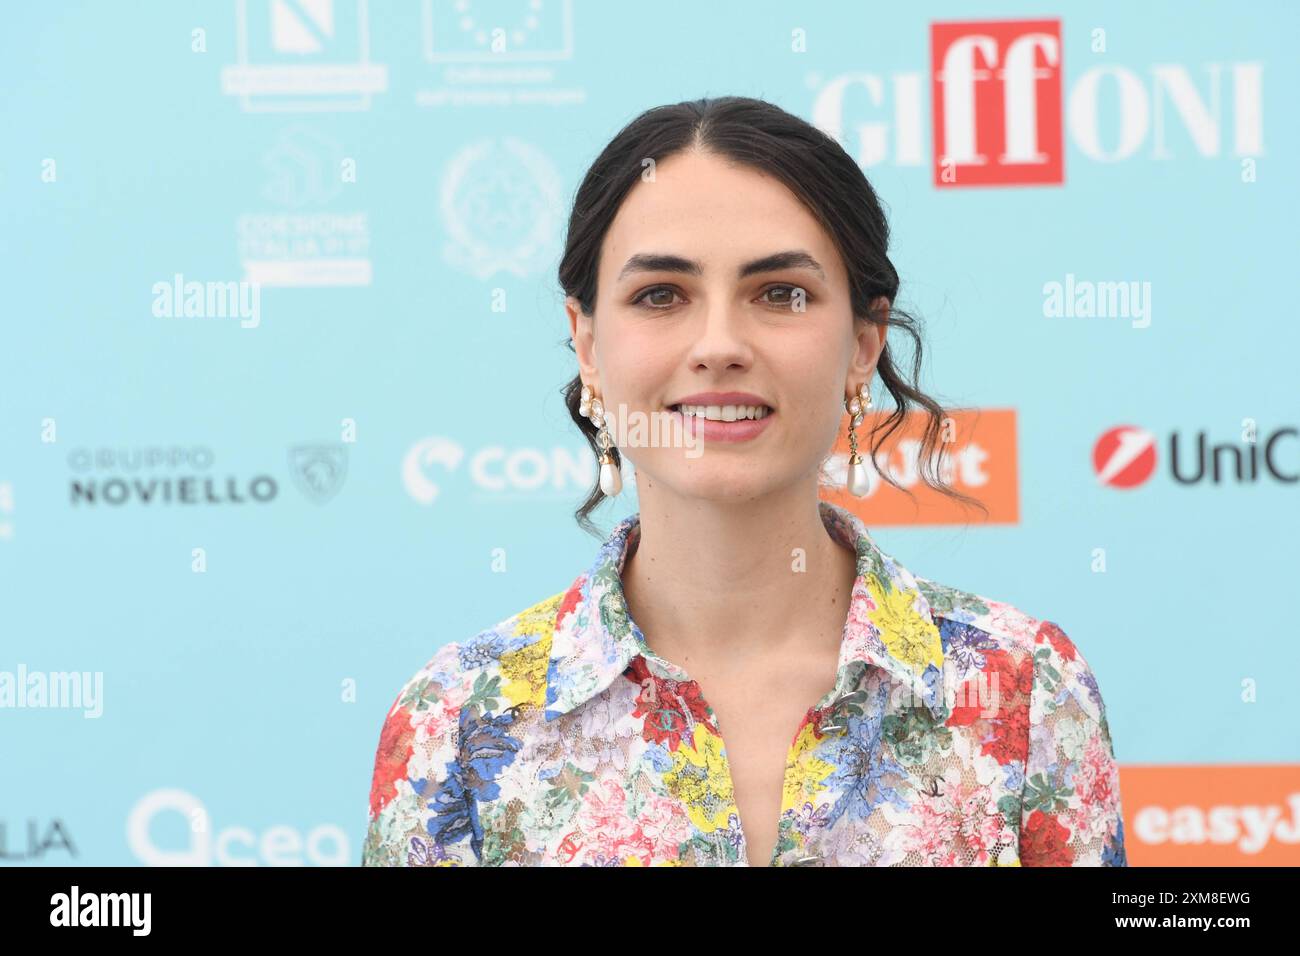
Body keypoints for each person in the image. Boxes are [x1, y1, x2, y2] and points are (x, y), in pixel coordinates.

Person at [362, 96, 1127, 867]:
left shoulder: (1023, 689)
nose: (720, 345)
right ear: (587, 343)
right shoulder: (457, 718)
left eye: (779, 294)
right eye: (661, 295)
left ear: (864, 343)